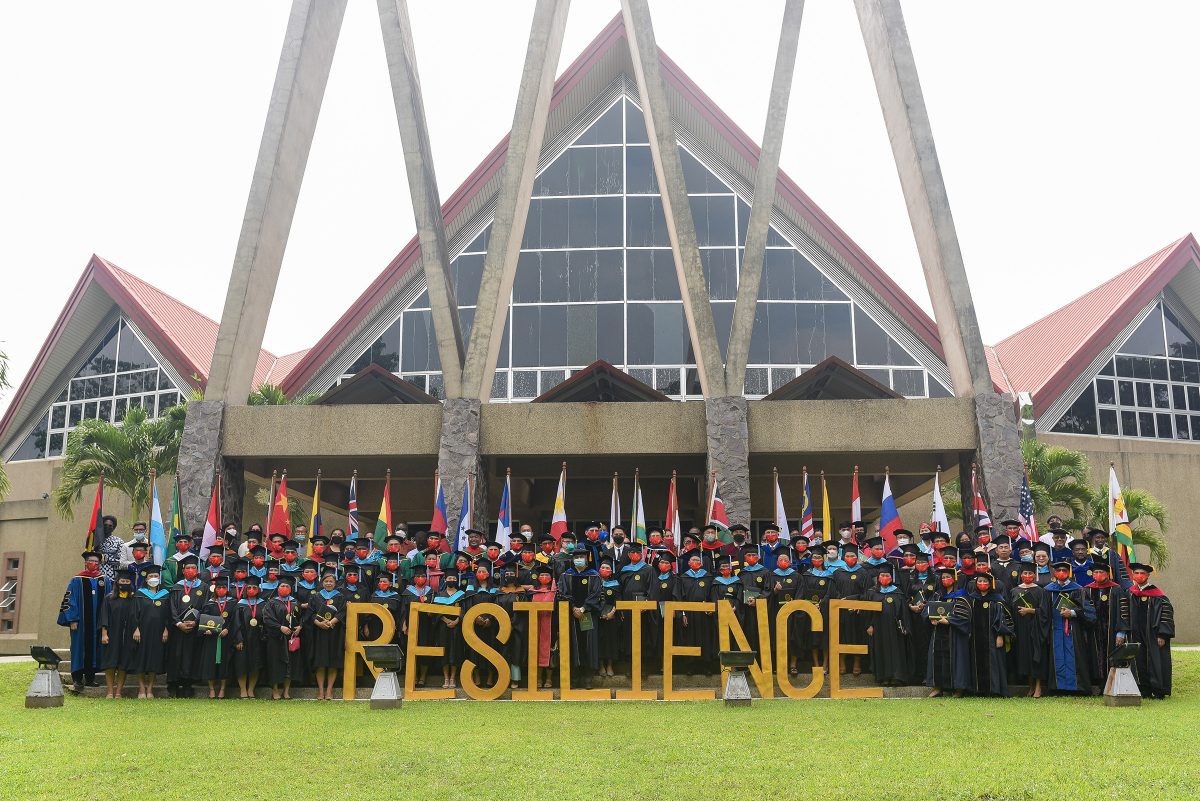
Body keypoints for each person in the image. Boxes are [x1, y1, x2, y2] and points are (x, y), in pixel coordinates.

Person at [1040, 560, 1095, 695]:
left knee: (1073, 656)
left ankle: (1077, 688)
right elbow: (1043, 613)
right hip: (1055, 630)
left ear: (1069, 573)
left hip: (1074, 630)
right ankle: (1058, 688)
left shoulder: (1078, 589)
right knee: (1057, 656)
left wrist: (1072, 613)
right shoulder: (1048, 590)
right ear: (1054, 573)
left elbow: (1089, 612)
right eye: (1058, 570)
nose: (1061, 573)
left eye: (1064, 570)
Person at [58, 550, 111, 691]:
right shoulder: (77, 580)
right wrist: (72, 619)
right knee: (78, 648)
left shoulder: (104, 580)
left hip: (98, 623)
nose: (93, 564)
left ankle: (90, 678)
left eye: (96, 562)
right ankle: (77, 679)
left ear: (99, 564)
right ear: (85, 563)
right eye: (90, 561)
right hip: (80, 623)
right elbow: (70, 600)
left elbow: (110, 602)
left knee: (95, 649)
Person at [1127, 562, 1174, 699]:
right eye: (1136, 573)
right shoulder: (1130, 592)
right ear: (1133, 575)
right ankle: (1144, 689)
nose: (1139, 576)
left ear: (1148, 576)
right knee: (1139, 661)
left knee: (1156, 661)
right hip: (1135, 634)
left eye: (1142, 573)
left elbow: (1166, 614)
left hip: (1153, 635)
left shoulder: (1158, 595)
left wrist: (1163, 634)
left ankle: (1159, 690)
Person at [925, 567, 972, 698]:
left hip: (955, 634)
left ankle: (958, 688)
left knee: (957, 660)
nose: (945, 580)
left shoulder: (961, 596)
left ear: (955, 579)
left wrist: (950, 621)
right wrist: (932, 619)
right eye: (943, 577)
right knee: (936, 659)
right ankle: (937, 687)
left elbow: (966, 616)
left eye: (948, 577)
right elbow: (927, 611)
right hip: (938, 632)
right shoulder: (937, 595)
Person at [559, 547, 602, 688]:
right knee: (572, 643)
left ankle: (587, 677)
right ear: (572, 559)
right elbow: (563, 593)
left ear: (586, 559)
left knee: (587, 643)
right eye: (576, 557)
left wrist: (583, 608)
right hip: (570, 615)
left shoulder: (594, 575)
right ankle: (574, 676)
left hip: (587, 615)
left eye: (581, 557)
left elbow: (595, 595)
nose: (579, 559)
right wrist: (573, 608)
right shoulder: (566, 575)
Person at [863, 564, 911, 686]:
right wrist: (869, 625)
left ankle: (896, 677)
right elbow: (867, 611)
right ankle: (883, 677)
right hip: (878, 628)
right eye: (882, 575)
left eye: (887, 575)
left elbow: (903, 612)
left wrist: (905, 626)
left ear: (891, 577)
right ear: (878, 577)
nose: (884, 577)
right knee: (881, 650)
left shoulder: (897, 592)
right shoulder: (872, 592)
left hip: (895, 628)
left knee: (896, 651)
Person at [128, 564, 171, 699]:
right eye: (151, 576)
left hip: (158, 632)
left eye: (156, 576)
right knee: (141, 659)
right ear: (146, 579)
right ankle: (141, 689)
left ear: (159, 578)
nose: (153, 578)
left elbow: (168, 615)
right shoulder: (139, 594)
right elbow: (133, 614)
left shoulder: (165, 594)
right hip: (142, 632)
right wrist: (136, 629)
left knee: (154, 660)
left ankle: (150, 689)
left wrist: (166, 629)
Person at [967, 572, 1012, 697]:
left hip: (993, 638)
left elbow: (1003, 619)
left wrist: (1000, 635)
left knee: (995, 662)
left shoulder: (997, 600)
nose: (982, 584)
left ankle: (995, 690)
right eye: (980, 581)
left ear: (991, 584)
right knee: (976, 661)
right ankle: (977, 690)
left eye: (985, 581)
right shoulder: (972, 599)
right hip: (975, 638)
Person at [167, 554, 205, 698]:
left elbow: (206, 607)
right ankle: (173, 685)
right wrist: (178, 623)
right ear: (183, 570)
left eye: (193, 567)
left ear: (197, 570)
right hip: (178, 629)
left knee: (191, 655)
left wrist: (196, 622)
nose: (190, 570)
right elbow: (171, 608)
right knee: (176, 655)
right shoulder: (176, 587)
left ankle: (188, 685)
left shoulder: (203, 587)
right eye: (188, 567)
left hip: (194, 629)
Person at [1008, 562, 1046, 697]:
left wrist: (1031, 610)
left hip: (1035, 628)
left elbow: (1045, 612)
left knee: (1036, 656)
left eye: (1030, 573)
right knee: (1025, 657)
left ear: (1035, 575)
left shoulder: (1040, 590)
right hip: (1020, 628)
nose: (1027, 576)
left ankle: (1038, 686)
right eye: (1025, 573)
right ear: (1020, 575)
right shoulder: (1014, 590)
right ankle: (1030, 686)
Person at [98, 571, 137, 698]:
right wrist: (104, 634)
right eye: (122, 581)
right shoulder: (109, 598)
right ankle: (110, 691)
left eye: (127, 581)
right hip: (112, 634)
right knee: (110, 662)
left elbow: (137, 617)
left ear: (130, 583)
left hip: (127, 635)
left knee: (123, 663)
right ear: (117, 582)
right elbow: (104, 617)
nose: (124, 583)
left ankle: (119, 691)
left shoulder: (133, 599)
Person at [197, 571, 235, 698]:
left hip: (226, 637)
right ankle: (212, 689)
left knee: (224, 664)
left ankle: (223, 689)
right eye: (218, 587)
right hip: (211, 638)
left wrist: (228, 629)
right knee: (210, 663)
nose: (221, 590)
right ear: (215, 588)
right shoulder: (210, 603)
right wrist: (206, 630)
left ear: (227, 588)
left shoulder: (233, 603)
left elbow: (235, 620)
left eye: (223, 587)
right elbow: (204, 619)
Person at [310, 568, 347, 701]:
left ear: (335, 583)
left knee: (333, 662)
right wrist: (319, 623)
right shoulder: (316, 596)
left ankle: (329, 690)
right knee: (320, 662)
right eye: (326, 581)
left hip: (335, 632)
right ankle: (321, 691)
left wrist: (332, 622)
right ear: (322, 582)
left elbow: (342, 612)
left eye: (331, 581)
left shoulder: (340, 596)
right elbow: (311, 613)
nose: (329, 583)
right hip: (320, 633)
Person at [831, 543, 867, 675]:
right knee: (841, 635)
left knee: (856, 636)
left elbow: (867, 592)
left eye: (853, 556)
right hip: (840, 610)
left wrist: (855, 599)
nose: (850, 558)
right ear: (843, 557)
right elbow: (833, 591)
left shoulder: (863, 573)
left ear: (857, 557)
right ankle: (842, 662)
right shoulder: (837, 573)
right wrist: (839, 600)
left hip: (857, 611)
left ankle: (857, 663)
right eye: (847, 556)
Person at [263, 573, 301, 699]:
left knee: (290, 663)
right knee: (275, 663)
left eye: (287, 586)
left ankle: (286, 690)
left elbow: (301, 618)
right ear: (278, 587)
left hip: (291, 639)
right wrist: (280, 627)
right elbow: (267, 619)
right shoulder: (272, 602)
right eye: (282, 586)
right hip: (276, 638)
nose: (284, 588)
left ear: (291, 588)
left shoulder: (295, 602)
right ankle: (275, 690)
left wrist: (300, 626)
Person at [494, 566, 530, 690]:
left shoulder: (521, 592)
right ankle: (503, 679)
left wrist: (512, 622)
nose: (509, 575)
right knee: (502, 652)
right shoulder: (499, 591)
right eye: (507, 573)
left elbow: (523, 610)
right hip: (501, 628)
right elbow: (496, 608)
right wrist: (503, 622)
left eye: (511, 573)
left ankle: (515, 679)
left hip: (517, 628)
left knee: (516, 653)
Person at [401, 565, 435, 688]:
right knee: (411, 650)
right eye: (417, 576)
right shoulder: (408, 592)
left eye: (422, 576)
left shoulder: (430, 592)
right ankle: (413, 675)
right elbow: (403, 610)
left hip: (426, 626)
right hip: (411, 625)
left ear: (426, 577)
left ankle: (423, 677)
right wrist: (404, 625)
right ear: (414, 578)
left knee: (424, 650)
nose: (420, 578)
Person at [768, 551, 802, 675]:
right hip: (776, 612)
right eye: (781, 559)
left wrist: (794, 604)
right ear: (777, 562)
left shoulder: (797, 576)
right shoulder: (772, 576)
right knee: (778, 638)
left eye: (786, 559)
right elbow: (768, 595)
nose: (783, 561)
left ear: (790, 562)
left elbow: (800, 593)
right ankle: (780, 664)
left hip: (793, 613)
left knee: (793, 638)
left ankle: (793, 665)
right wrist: (775, 591)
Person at [233, 575, 267, 698]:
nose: (251, 590)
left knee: (256, 664)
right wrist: (238, 639)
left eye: (254, 587)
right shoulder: (240, 604)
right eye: (249, 588)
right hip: (243, 638)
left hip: (258, 639)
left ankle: (251, 689)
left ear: (258, 590)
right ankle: (243, 690)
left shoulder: (263, 604)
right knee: (241, 664)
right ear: (245, 590)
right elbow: (236, 623)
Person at [431, 573, 466, 689]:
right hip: (443, 627)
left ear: (457, 580)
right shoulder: (439, 595)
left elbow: (464, 610)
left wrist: (457, 621)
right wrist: (446, 620)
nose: (452, 579)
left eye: (454, 578)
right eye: (450, 578)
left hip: (457, 627)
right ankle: (446, 678)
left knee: (455, 651)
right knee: (444, 651)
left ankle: (453, 678)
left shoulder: (462, 595)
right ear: (445, 580)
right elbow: (436, 611)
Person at [595, 559, 621, 679]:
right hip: (598, 616)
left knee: (611, 640)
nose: (604, 570)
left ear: (611, 572)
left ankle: (610, 665)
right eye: (602, 567)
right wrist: (598, 612)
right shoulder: (595, 581)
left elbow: (618, 600)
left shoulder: (615, 583)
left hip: (611, 616)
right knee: (599, 640)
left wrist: (612, 612)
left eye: (607, 568)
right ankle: (601, 665)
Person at [96, 515, 123, 581]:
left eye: (110, 526)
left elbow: (121, 560)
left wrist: (106, 559)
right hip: (96, 576)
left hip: (113, 577)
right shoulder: (95, 541)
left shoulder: (118, 541)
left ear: (113, 528)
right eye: (105, 525)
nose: (107, 527)